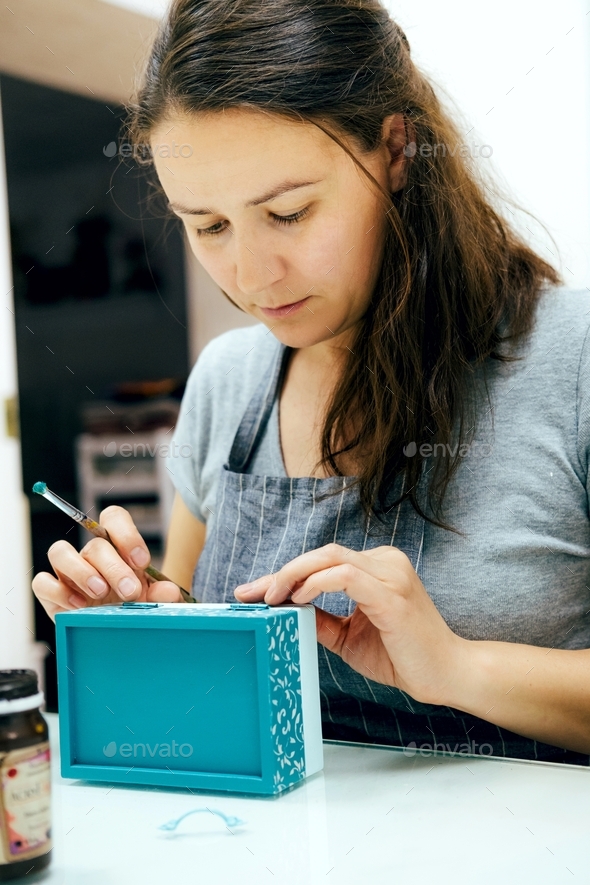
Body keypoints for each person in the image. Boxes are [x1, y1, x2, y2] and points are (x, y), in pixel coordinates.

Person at [32, 0, 590, 765]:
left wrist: (458, 667)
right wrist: (137, 633)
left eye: (289, 212)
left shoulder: (573, 357)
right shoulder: (228, 383)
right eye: (209, 226)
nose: (251, 277)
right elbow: (198, 701)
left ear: (397, 150)